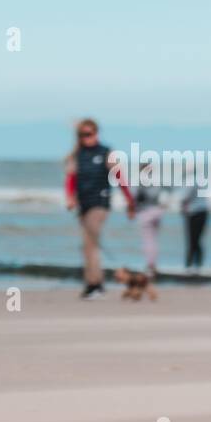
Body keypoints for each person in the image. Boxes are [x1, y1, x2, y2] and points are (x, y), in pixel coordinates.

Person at [65, 119, 134, 299]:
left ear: (96, 133)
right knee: (87, 245)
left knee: (90, 243)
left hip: (100, 204)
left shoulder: (106, 153)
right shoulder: (76, 155)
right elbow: (71, 179)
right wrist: (71, 198)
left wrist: (129, 200)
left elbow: (119, 176)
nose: (86, 138)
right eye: (82, 135)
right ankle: (95, 283)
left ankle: (95, 284)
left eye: (89, 134)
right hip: (84, 205)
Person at [133, 158, 169, 277]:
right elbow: (167, 191)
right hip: (158, 211)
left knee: (148, 240)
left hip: (145, 212)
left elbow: (136, 197)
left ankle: (150, 265)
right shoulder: (157, 181)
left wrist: (132, 207)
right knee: (154, 240)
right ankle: (153, 264)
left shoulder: (141, 181)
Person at [181, 178, 209, 273]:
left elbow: (185, 197)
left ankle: (190, 265)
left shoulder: (191, 181)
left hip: (194, 213)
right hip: (203, 211)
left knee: (192, 240)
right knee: (197, 240)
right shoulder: (200, 181)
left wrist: (182, 207)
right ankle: (198, 265)